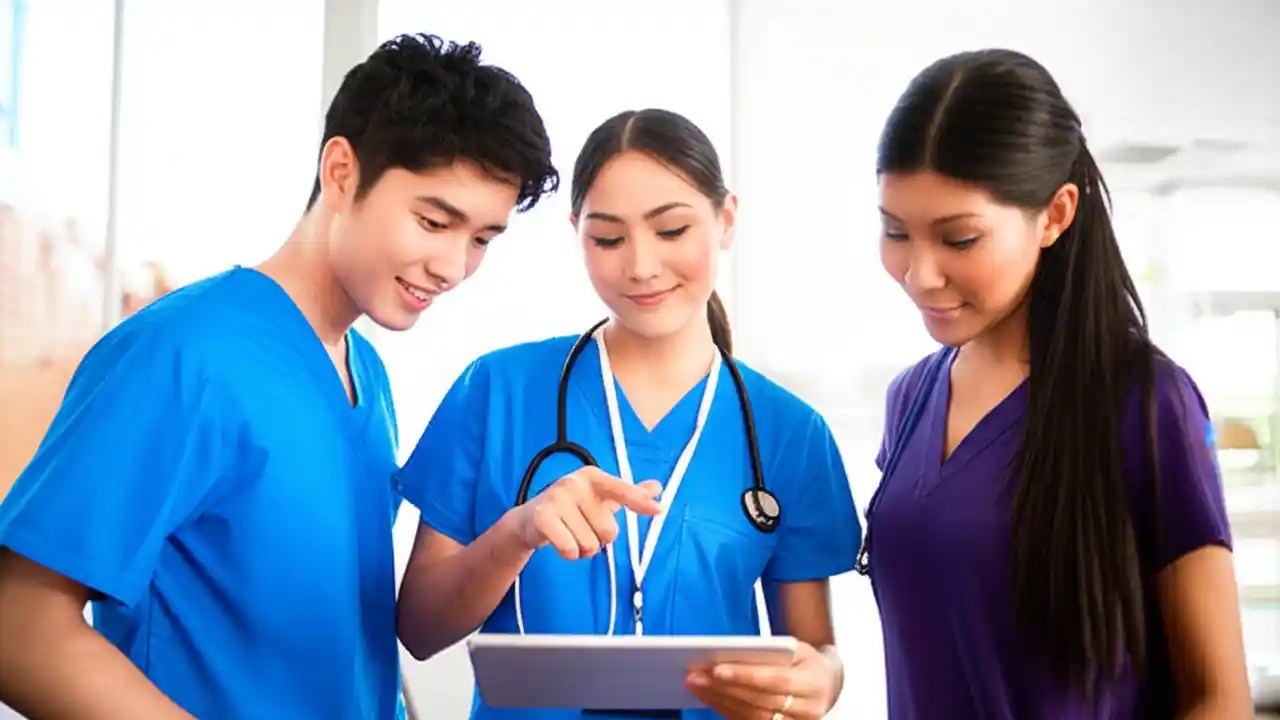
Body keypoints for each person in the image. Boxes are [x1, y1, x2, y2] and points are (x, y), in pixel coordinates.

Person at [0, 33, 557, 719]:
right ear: (341, 171)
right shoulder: (185, 355)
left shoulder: (366, 376)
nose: (452, 265)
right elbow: (19, 626)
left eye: (480, 239)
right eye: (433, 220)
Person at [394, 108, 860, 720]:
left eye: (671, 231)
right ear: (576, 231)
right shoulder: (498, 390)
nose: (640, 266)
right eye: (608, 238)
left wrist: (825, 677)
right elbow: (421, 630)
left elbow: (811, 648)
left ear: (725, 220)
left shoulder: (790, 434)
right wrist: (518, 532)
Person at [860, 48, 1253, 719]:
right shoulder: (912, 400)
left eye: (958, 240)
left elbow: (1219, 698)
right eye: (896, 231)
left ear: (1056, 215)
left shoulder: (1144, 402)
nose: (919, 273)